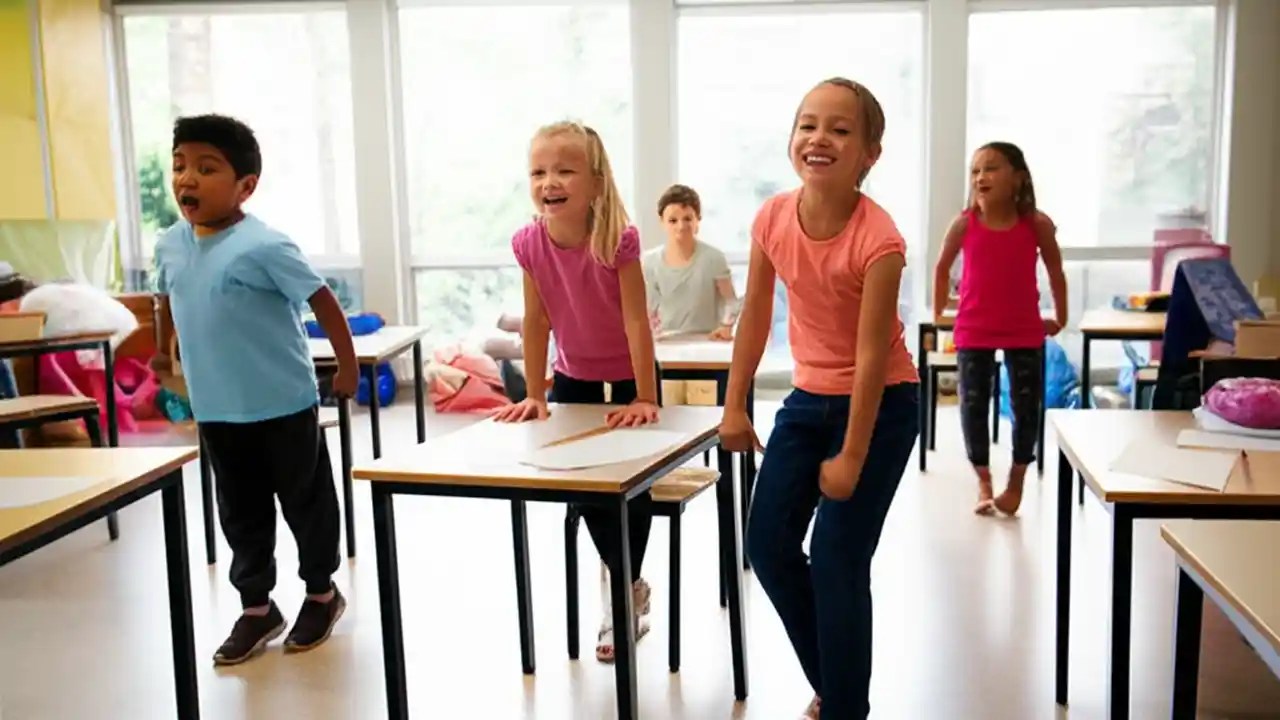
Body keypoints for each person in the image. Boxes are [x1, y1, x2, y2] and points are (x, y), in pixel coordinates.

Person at [719, 78, 921, 720]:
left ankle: (843, 708)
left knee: (837, 555)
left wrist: (853, 456)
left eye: (839, 129)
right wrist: (734, 404)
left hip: (882, 405)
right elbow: (755, 313)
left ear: (870, 153)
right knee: (768, 546)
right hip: (808, 401)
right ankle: (837, 685)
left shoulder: (879, 241)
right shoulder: (773, 217)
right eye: (808, 124)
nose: (819, 138)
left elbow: (869, 358)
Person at [153, 114, 359, 665]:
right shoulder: (171, 244)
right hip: (218, 408)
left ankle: (321, 593)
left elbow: (322, 300)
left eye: (205, 168)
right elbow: (165, 298)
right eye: (179, 167)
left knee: (305, 502)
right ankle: (256, 608)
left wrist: (347, 367)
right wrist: (159, 348)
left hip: (283, 403)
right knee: (239, 511)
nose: (186, 179)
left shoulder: (264, 245)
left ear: (246, 185)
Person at [491, 121, 660, 664]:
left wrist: (646, 396)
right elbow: (536, 319)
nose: (549, 181)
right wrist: (537, 390)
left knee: (634, 487)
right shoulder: (529, 243)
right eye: (538, 171)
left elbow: (637, 321)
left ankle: (623, 592)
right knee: (586, 490)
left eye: (565, 170)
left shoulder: (618, 238)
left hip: (630, 379)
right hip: (575, 380)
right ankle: (625, 590)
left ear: (595, 181)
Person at [933, 141, 1067, 516]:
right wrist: (942, 308)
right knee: (972, 406)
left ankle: (1017, 480)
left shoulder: (1036, 225)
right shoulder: (964, 224)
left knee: (1027, 407)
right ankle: (983, 481)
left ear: (1018, 178)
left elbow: (1056, 271)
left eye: (991, 168)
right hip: (974, 329)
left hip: (1023, 328)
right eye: (976, 170)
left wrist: (1062, 314)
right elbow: (942, 267)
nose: (980, 177)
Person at [642, 183, 739, 340]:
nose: (681, 226)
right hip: (665, 343)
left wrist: (726, 326)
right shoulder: (650, 262)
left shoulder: (714, 258)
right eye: (673, 220)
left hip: (708, 342)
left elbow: (731, 301)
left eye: (687, 218)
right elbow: (647, 308)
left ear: (697, 220)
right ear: (662, 222)